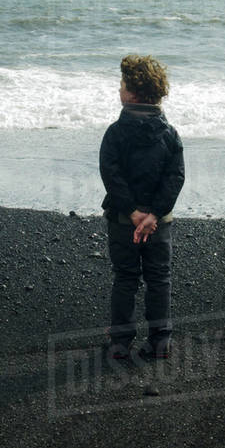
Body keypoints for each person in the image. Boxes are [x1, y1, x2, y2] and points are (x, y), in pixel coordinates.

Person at [99, 54, 185, 360]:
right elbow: (175, 178)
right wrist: (154, 214)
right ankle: (161, 340)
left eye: (122, 85)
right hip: (160, 223)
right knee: (159, 278)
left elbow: (111, 175)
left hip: (124, 221)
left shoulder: (116, 132)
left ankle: (121, 342)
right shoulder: (170, 134)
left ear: (133, 93)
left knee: (125, 277)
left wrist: (134, 213)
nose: (118, 90)